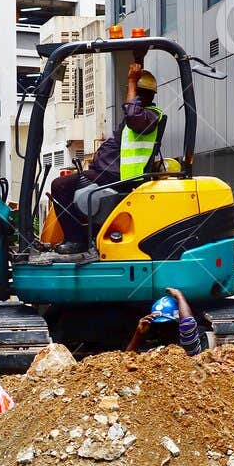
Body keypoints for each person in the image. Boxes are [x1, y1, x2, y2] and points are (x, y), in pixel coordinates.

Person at [40, 62, 166, 261]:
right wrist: (138, 60)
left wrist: (132, 80)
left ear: (141, 95)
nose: (130, 96)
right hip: (109, 173)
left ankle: (76, 241)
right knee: (67, 187)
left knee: (60, 186)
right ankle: (82, 237)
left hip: (118, 176)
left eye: (134, 92)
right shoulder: (144, 116)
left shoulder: (148, 117)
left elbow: (132, 113)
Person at [127, 287, 206, 356]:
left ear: (178, 324)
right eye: (160, 325)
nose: (163, 330)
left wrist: (179, 296)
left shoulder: (187, 350)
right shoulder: (153, 353)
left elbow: (187, 324)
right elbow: (126, 360)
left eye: (168, 325)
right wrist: (138, 335)